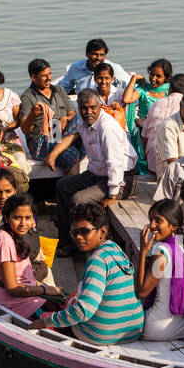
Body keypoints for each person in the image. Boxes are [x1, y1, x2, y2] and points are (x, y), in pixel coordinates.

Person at [28, 202, 145, 344]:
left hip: (100, 334)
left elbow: (84, 309)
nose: (78, 237)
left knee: (41, 312)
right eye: (74, 233)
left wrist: (45, 322)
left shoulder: (98, 260)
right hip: (133, 331)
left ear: (102, 232)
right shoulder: (115, 249)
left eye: (84, 231)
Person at [55, 89, 134, 255]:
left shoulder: (107, 127)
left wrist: (112, 194)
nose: (88, 112)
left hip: (120, 180)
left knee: (79, 200)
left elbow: (115, 163)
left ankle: (84, 245)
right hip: (96, 175)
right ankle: (67, 239)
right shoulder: (84, 126)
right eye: (84, 108)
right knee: (62, 185)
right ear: (79, 108)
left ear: (100, 107)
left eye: (92, 107)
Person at [0, 193, 65, 318]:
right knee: (68, 314)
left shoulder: (5, 233)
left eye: (28, 218)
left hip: (26, 293)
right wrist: (46, 290)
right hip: (17, 304)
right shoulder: (5, 241)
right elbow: (12, 288)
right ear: (7, 218)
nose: (23, 223)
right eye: (17, 218)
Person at [135, 199, 184, 342]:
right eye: (151, 220)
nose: (152, 225)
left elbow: (142, 292)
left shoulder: (161, 252)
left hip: (158, 330)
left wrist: (143, 252)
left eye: (158, 220)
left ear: (173, 226)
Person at [16, 59, 80, 168]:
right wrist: (33, 114)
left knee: (76, 149)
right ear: (33, 77)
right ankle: (55, 154)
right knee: (72, 154)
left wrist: (66, 118)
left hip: (63, 135)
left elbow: (72, 114)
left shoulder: (59, 90)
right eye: (44, 75)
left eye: (50, 74)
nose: (49, 78)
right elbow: (25, 129)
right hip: (41, 142)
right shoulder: (27, 97)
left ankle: (53, 155)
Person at [121, 59, 172, 173]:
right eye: (152, 74)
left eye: (158, 76)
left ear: (166, 78)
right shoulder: (143, 89)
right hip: (145, 130)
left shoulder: (170, 90)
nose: (153, 78)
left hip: (165, 130)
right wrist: (133, 80)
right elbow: (126, 99)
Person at [142, 74, 184, 170]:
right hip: (178, 166)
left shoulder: (156, 104)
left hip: (153, 164)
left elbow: (144, 136)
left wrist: (147, 157)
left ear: (170, 88)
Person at [54, 38, 130, 94]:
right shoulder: (75, 68)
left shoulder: (113, 68)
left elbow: (130, 85)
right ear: (87, 54)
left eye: (102, 55)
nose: (98, 58)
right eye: (95, 54)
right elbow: (63, 88)